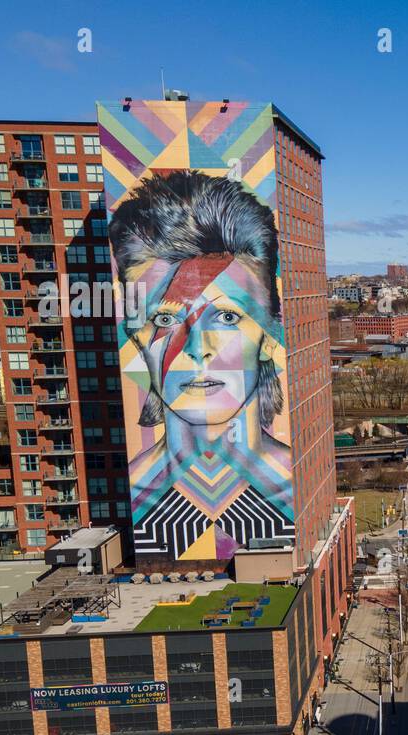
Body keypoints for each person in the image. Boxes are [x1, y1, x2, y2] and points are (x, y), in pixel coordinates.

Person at [109, 169, 294, 559]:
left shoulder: (299, 483)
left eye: (226, 317)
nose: (197, 348)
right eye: (165, 319)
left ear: (268, 336)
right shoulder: (139, 494)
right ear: (137, 337)